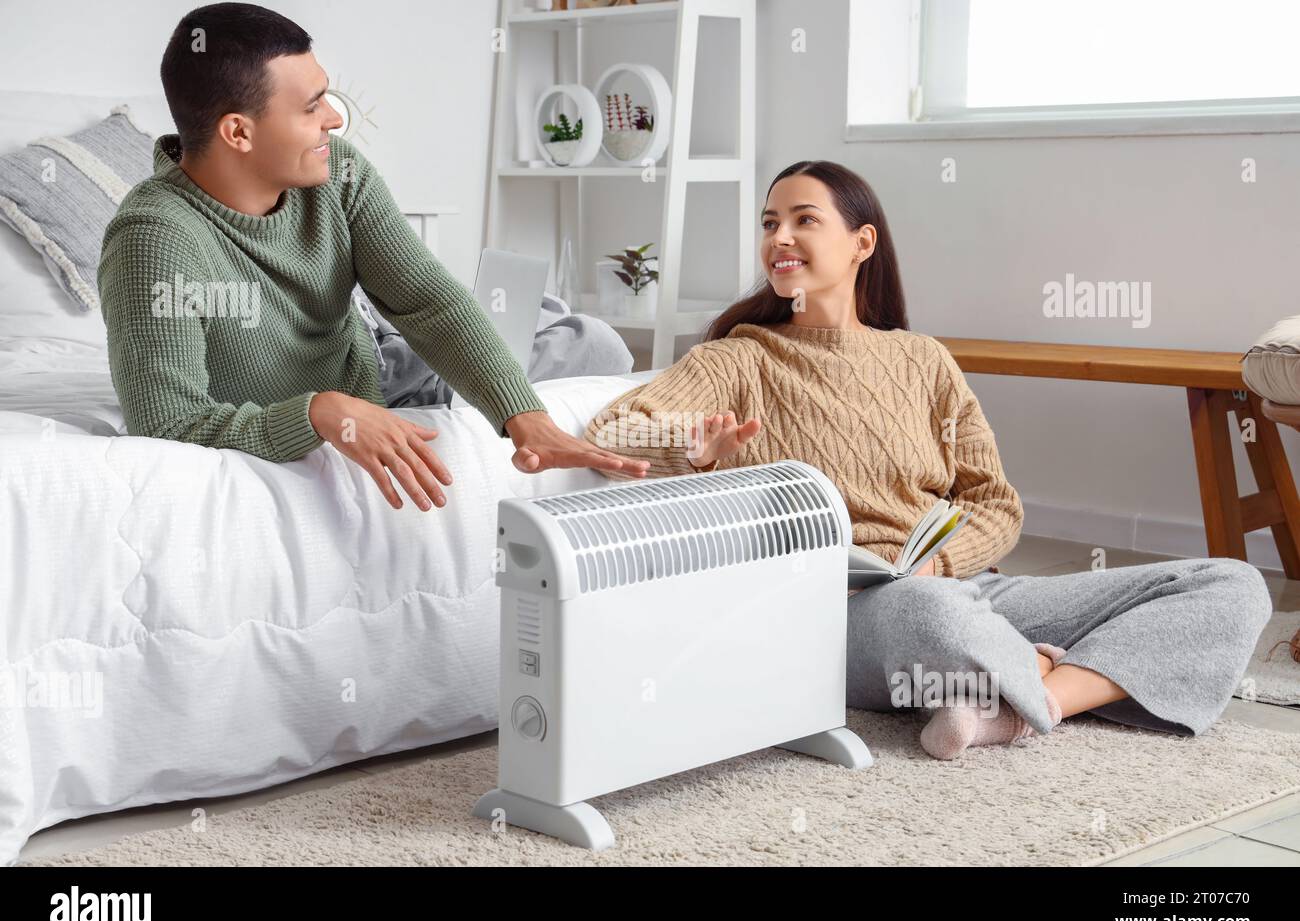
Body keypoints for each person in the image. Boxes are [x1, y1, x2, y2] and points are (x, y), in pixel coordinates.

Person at [583, 158, 1273, 760]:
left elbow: (995, 504)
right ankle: (1017, 668)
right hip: (838, 613)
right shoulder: (738, 357)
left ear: (862, 243)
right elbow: (614, 428)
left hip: (957, 585)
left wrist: (941, 561)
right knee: (930, 618)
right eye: (768, 224)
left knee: (1231, 584)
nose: (779, 238)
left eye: (801, 220)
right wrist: (689, 447)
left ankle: (1029, 703)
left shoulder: (922, 359)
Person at [98, 2, 649, 516]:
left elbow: (427, 300)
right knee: (567, 339)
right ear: (238, 131)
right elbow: (167, 425)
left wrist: (521, 415)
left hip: (377, 360)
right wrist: (317, 412)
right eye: (311, 106)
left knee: (592, 339)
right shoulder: (153, 240)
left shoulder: (336, 168)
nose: (334, 119)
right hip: (345, 386)